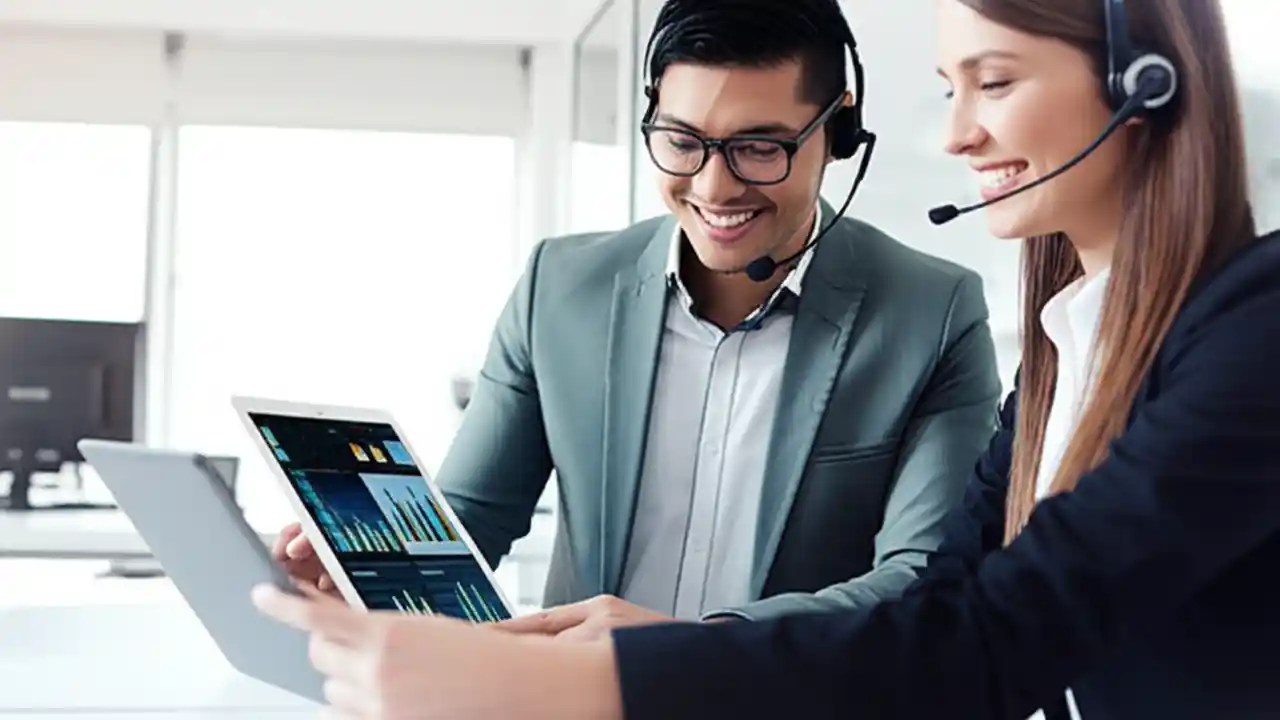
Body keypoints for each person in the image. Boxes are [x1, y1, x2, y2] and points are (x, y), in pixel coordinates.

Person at [254, 0, 1280, 717]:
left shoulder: (1230, 324)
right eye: (678, 140)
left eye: (995, 81)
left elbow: (981, 625)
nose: (958, 134)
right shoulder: (1066, 349)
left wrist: (609, 674)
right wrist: (364, 561)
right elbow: (962, 612)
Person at [272, 0, 1002, 633]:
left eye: (759, 147)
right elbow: (471, 519)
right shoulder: (559, 287)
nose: (715, 187)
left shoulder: (933, 313)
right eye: (682, 141)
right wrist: (363, 571)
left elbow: (924, 580)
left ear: (838, 134)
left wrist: (695, 647)